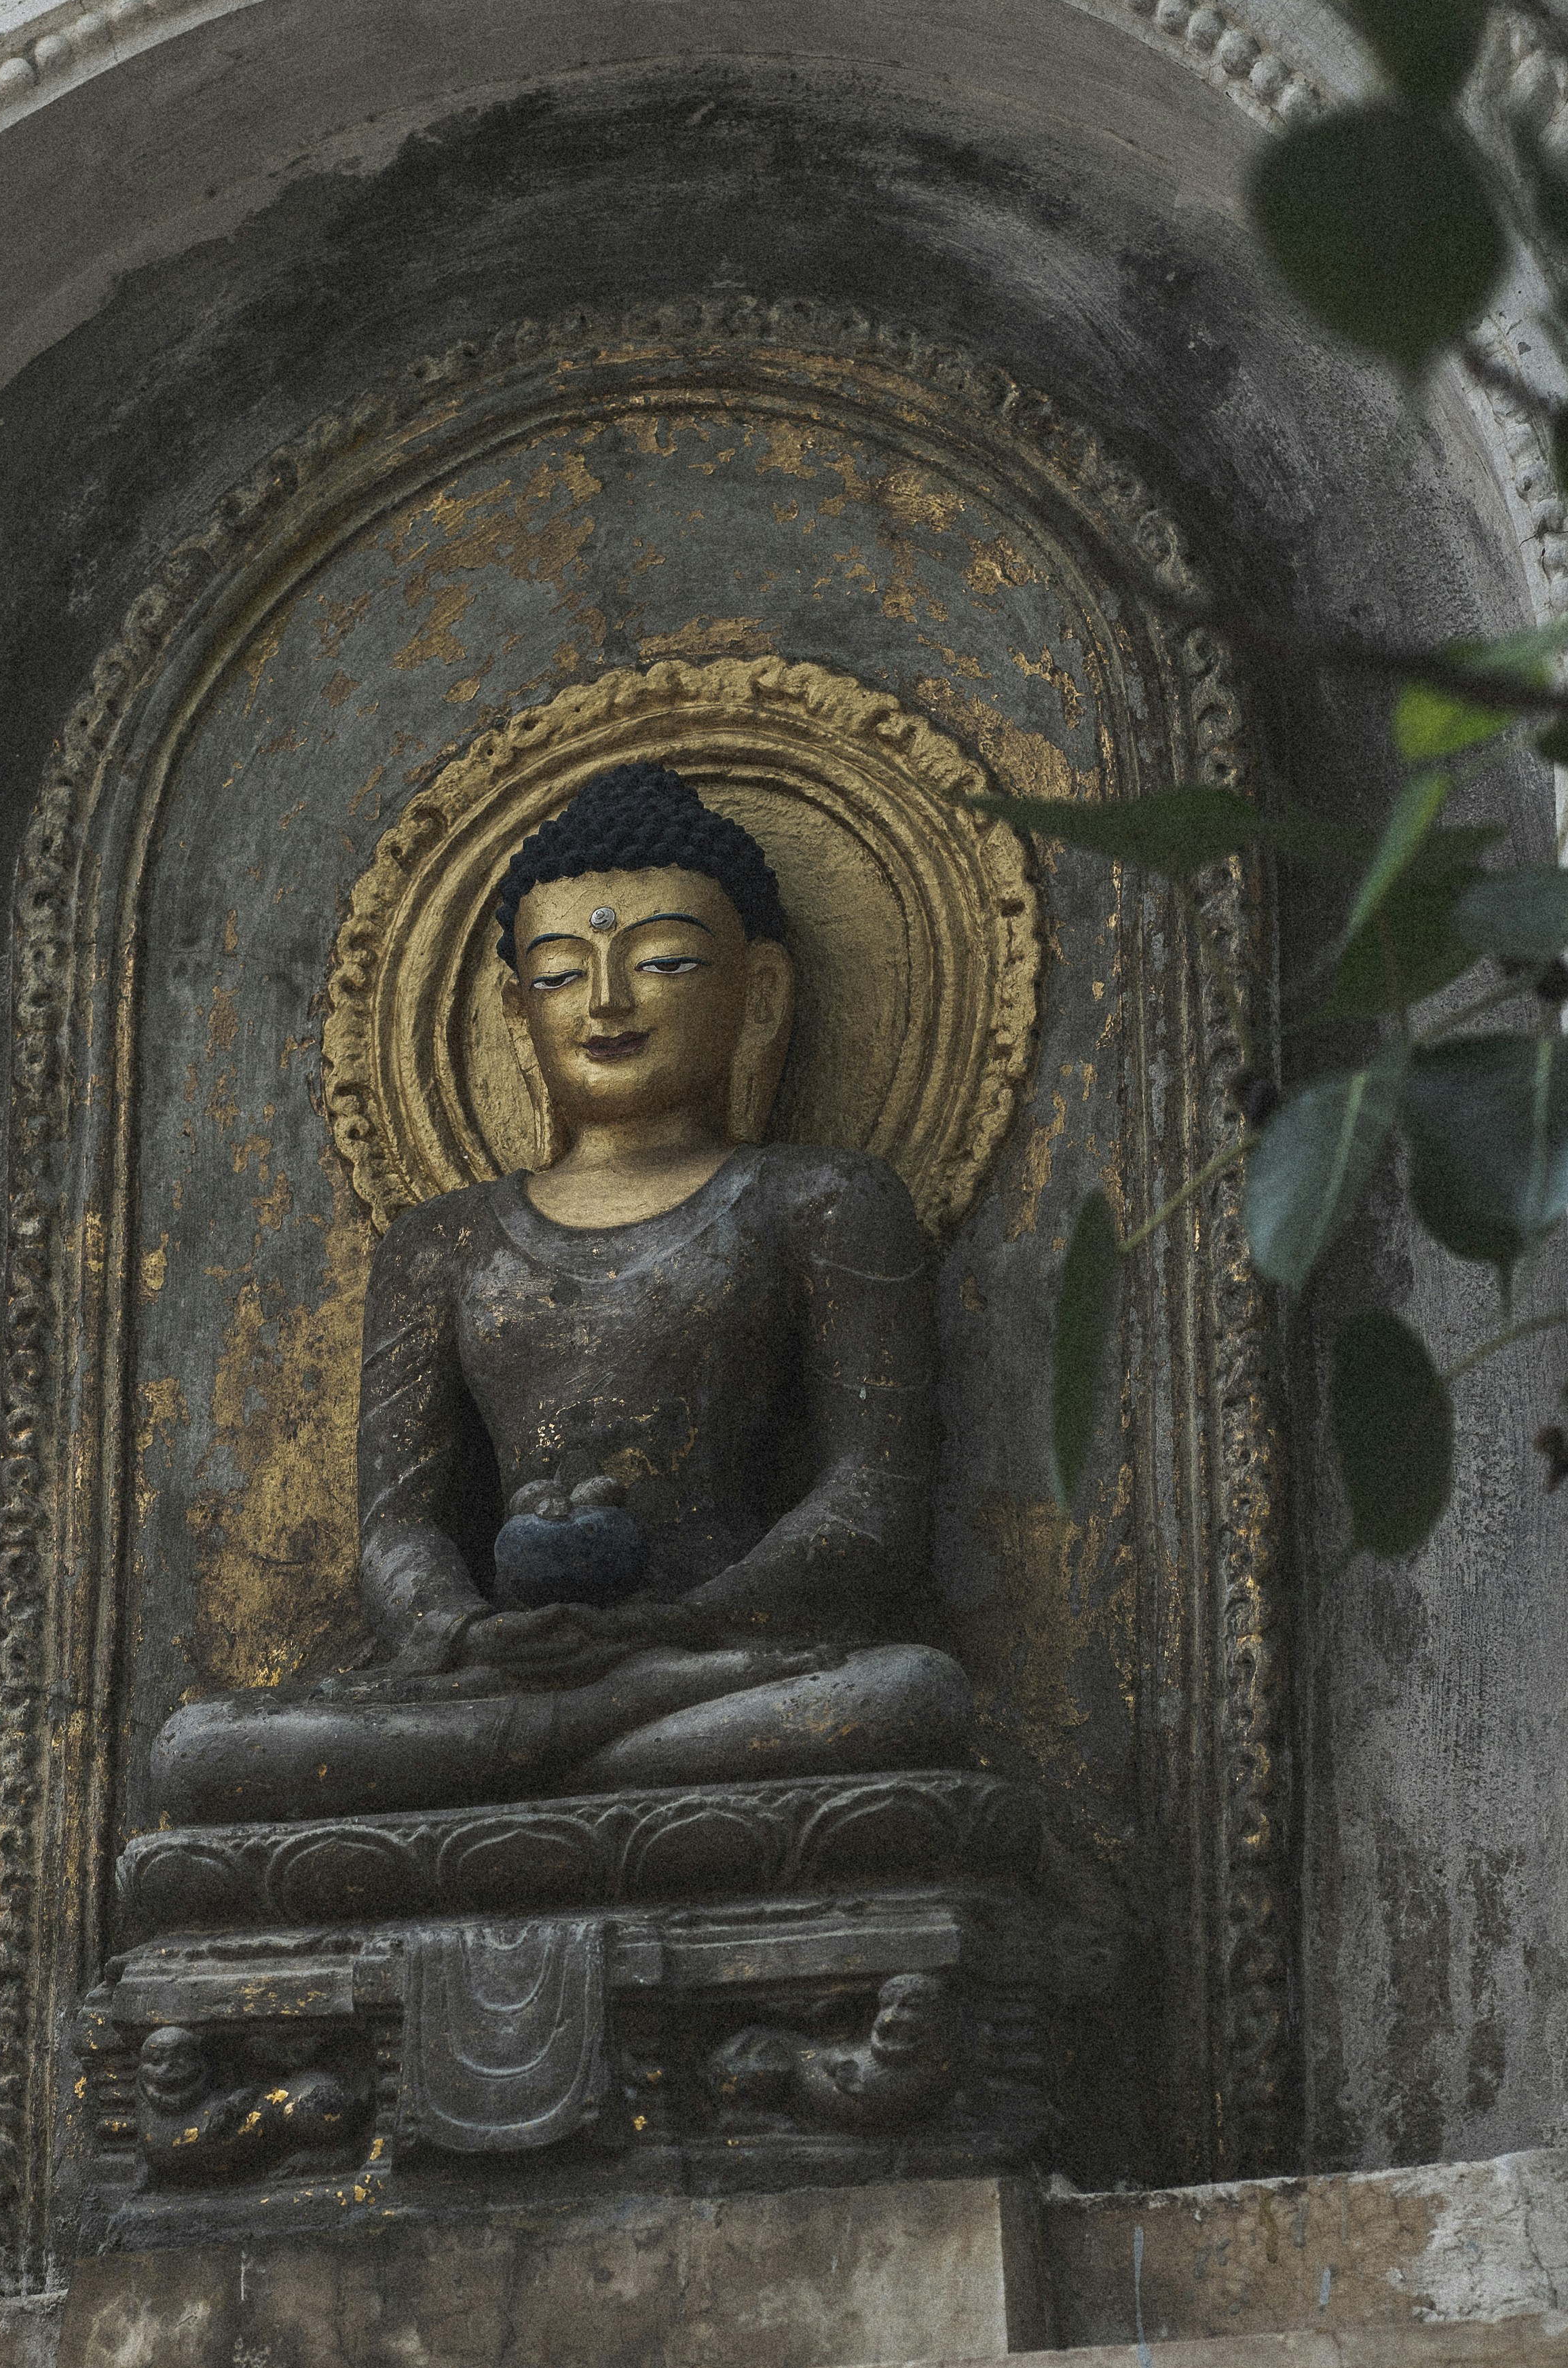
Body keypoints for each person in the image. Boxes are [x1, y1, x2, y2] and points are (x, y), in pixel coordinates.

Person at [151, 760, 973, 1826]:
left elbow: (873, 1498)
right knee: (199, 1752)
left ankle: (530, 1769)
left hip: (724, 1661)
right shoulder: (438, 1242)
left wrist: (678, 1627)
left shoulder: (819, 1199)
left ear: (759, 991)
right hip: (506, 1672)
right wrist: (465, 1633)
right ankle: (569, 1756)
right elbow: (399, 1533)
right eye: (559, 972)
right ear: (511, 1009)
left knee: (903, 1698)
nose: (609, 1003)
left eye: (665, 960)